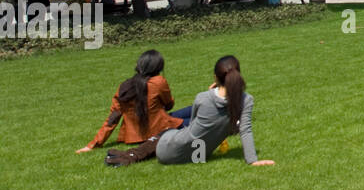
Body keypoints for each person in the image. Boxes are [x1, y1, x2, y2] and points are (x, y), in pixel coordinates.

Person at [106, 55, 274, 167]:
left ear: (216, 78)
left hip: (171, 153)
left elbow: (192, 128)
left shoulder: (203, 97)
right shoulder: (246, 100)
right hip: (199, 155)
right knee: (170, 133)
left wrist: (209, 93)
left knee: (167, 133)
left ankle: (131, 156)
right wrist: (252, 161)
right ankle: (131, 156)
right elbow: (245, 130)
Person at [78, 50, 184, 153]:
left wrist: (92, 144)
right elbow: (169, 105)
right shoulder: (159, 81)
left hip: (134, 136)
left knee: (190, 111)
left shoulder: (124, 86)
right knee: (195, 114)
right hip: (159, 129)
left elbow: (113, 117)